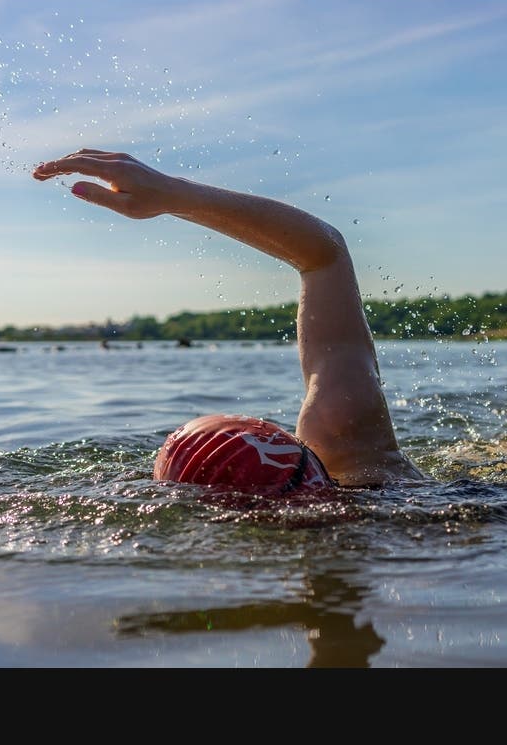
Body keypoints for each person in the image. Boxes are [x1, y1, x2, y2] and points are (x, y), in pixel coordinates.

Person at [32, 149, 427, 493]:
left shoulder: (354, 458)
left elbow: (324, 257)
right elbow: (325, 254)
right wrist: (173, 194)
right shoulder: (357, 458)